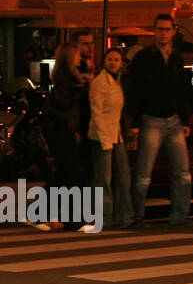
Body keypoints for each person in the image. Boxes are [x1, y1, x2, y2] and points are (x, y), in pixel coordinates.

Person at [126, 13, 193, 228]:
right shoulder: (144, 58)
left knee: (182, 172)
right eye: (159, 29)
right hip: (151, 118)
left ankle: (180, 215)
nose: (163, 34)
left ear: (173, 32)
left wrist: (184, 119)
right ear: (154, 32)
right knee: (144, 174)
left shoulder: (176, 59)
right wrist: (135, 122)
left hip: (173, 119)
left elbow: (183, 90)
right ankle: (137, 216)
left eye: (166, 29)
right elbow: (134, 90)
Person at [44, 42, 92, 231]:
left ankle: (42, 212)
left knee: (65, 174)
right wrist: (82, 91)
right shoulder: (66, 77)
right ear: (70, 56)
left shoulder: (68, 76)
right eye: (77, 53)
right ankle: (72, 219)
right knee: (72, 174)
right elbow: (63, 103)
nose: (80, 56)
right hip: (65, 130)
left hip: (65, 130)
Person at [87, 48, 132, 232]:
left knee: (123, 176)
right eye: (109, 59)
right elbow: (97, 112)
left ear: (121, 63)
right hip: (101, 135)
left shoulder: (117, 82)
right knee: (103, 178)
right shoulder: (100, 82)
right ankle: (104, 217)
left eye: (116, 59)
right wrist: (105, 139)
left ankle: (124, 216)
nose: (113, 62)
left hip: (116, 134)